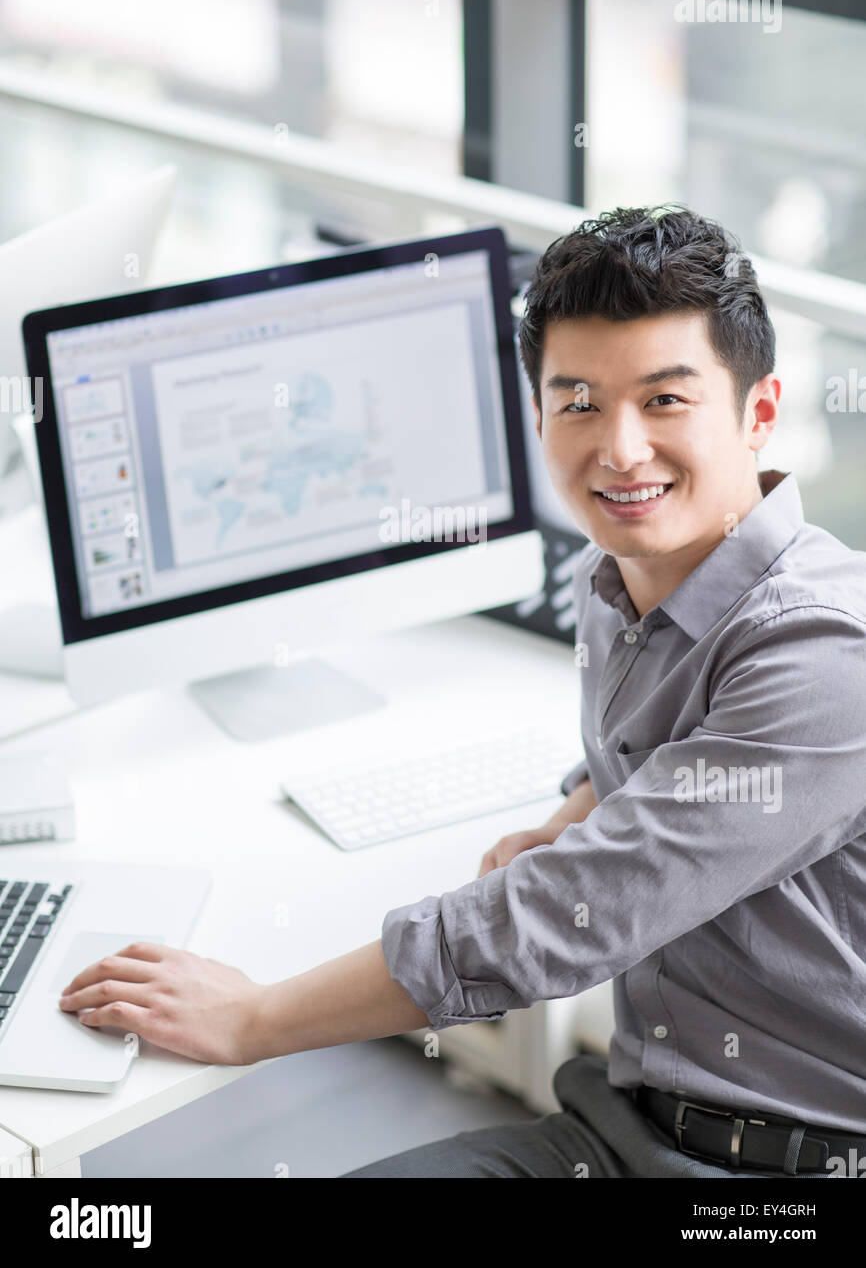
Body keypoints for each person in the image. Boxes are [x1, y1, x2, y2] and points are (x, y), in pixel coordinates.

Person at [58, 206, 866, 1178]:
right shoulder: (619, 573)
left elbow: (561, 916)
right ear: (535, 413)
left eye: (663, 401)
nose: (617, 449)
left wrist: (255, 1017)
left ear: (758, 410)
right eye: (577, 401)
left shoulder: (825, 655)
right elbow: (646, 768)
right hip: (623, 1125)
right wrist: (572, 813)